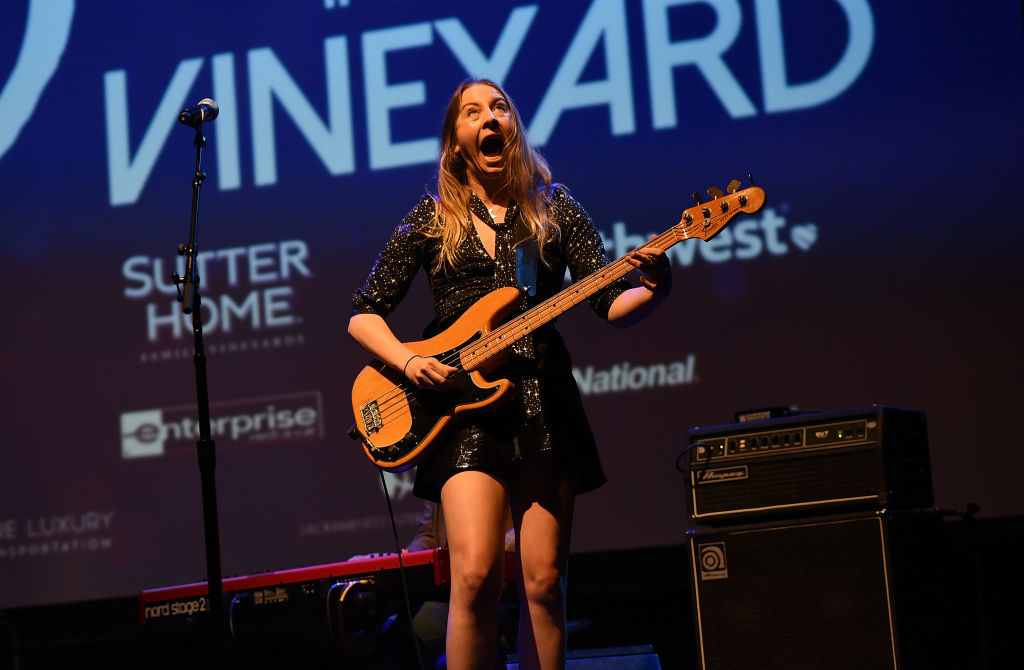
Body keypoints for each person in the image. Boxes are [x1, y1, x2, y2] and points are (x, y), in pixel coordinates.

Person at [348, 78, 671, 670]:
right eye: (473, 112)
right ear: (456, 143)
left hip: (544, 406)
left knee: (544, 583)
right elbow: (363, 315)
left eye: (500, 108)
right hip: (465, 412)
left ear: (514, 129)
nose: (489, 117)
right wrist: (412, 360)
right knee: (473, 578)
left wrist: (654, 286)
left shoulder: (554, 207)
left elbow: (609, 303)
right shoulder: (430, 218)